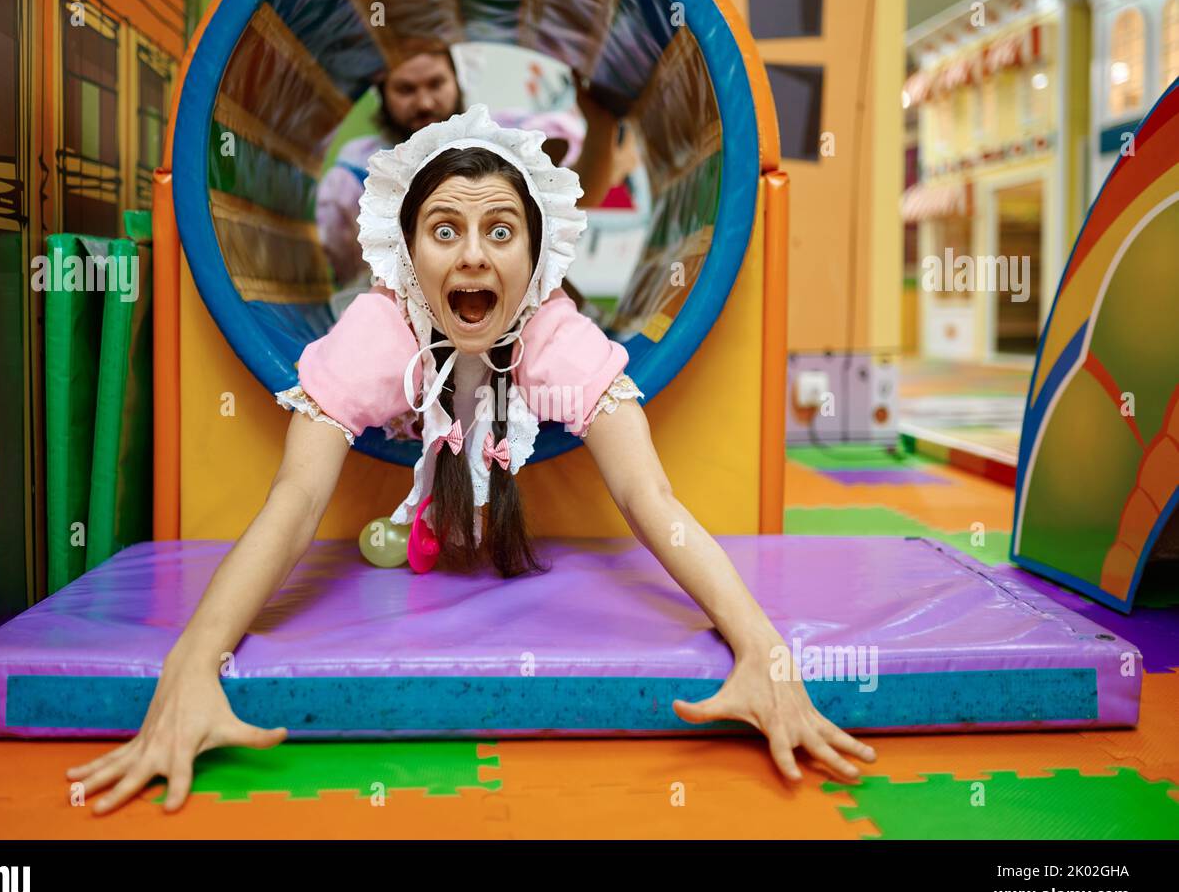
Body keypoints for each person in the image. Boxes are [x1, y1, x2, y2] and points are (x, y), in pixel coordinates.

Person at [68, 106, 875, 814]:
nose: (475, 256)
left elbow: (648, 494)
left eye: (500, 231)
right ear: (406, 250)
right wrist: (192, 662)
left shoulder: (554, 338)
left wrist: (763, 651)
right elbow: (294, 501)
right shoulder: (378, 336)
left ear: (536, 252)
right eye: (445, 230)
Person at [317, 41, 620, 287]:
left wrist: (601, 127)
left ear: (459, 79)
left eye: (436, 84)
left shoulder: (505, 137)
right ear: (382, 94)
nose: (424, 103)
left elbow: (579, 193)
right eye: (406, 90)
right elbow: (343, 268)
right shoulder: (359, 172)